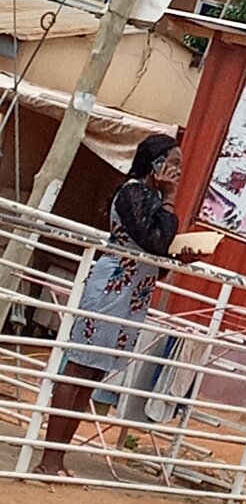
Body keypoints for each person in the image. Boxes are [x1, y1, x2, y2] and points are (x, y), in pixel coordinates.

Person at [34, 134, 193, 477]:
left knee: (92, 374)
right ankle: (49, 459)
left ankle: (59, 458)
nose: (179, 171)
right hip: (111, 288)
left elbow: (159, 256)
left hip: (133, 294)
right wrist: (169, 199)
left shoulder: (151, 197)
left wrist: (182, 255)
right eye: (174, 164)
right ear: (155, 163)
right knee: (78, 366)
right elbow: (153, 241)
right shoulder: (136, 191)